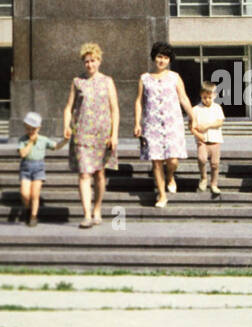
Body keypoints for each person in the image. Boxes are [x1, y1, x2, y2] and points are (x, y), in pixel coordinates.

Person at [63, 42, 119, 227]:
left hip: (103, 135)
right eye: (87, 61)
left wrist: (114, 135)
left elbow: (115, 109)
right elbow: (68, 107)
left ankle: (97, 208)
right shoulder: (77, 82)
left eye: (93, 60)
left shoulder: (107, 81)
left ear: (99, 61)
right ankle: (87, 214)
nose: (90, 64)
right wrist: (66, 125)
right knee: (84, 174)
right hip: (82, 134)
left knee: (100, 174)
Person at [133, 42, 190, 208]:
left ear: (169, 60)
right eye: (159, 56)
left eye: (165, 57)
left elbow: (183, 98)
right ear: (154, 58)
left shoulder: (175, 77)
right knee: (156, 161)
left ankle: (170, 176)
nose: (162, 60)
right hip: (152, 125)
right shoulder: (144, 78)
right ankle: (162, 195)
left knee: (173, 160)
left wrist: (193, 117)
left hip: (172, 124)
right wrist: (137, 123)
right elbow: (139, 102)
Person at [16, 111, 68, 226]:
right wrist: (30, 142)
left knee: (35, 194)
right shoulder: (22, 140)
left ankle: (33, 216)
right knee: (25, 193)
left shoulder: (43, 139)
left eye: (33, 129)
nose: (30, 131)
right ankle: (28, 208)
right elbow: (23, 154)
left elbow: (56, 146)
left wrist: (65, 140)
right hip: (26, 168)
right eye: (28, 128)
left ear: (38, 128)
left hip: (38, 168)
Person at [190, 78, 226, 201]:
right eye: (205, 97)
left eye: (210, 97)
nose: (207, 100)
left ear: (214, 96)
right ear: (201, 95)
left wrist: (207, 125)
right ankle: (203, 177)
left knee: (215, 163)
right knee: (202, 158)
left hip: (215, 140)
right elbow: (192, 126)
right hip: (202, 140)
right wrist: (197, 134)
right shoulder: (196, 110)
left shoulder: (217, 108)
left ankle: (214, 183)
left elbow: (219, 122)